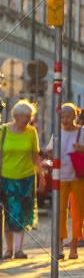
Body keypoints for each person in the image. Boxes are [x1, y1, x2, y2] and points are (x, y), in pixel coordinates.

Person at [0, 99, 44, 259]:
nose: (29, 119)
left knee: (23, 213)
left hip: (26, 178)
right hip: (7, 177)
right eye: (27, 116)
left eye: (30, 116)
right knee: (9, 212)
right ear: (17, 116)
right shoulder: (3, 131)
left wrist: (41, 176)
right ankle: (8, 249)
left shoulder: (32, 132)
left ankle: (18, 249)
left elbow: (35, 155)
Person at [56, 103, 84, 260]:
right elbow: (50, 150)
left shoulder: (82, 132)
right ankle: (60, 245)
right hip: (61, 177)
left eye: (66, 117)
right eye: (62, 117)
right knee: (60, 211)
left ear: (74, 117)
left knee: (78, 212)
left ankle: (74, 245)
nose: (64, 120)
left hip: (79, 177)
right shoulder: (58, 134)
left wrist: (81, 148)